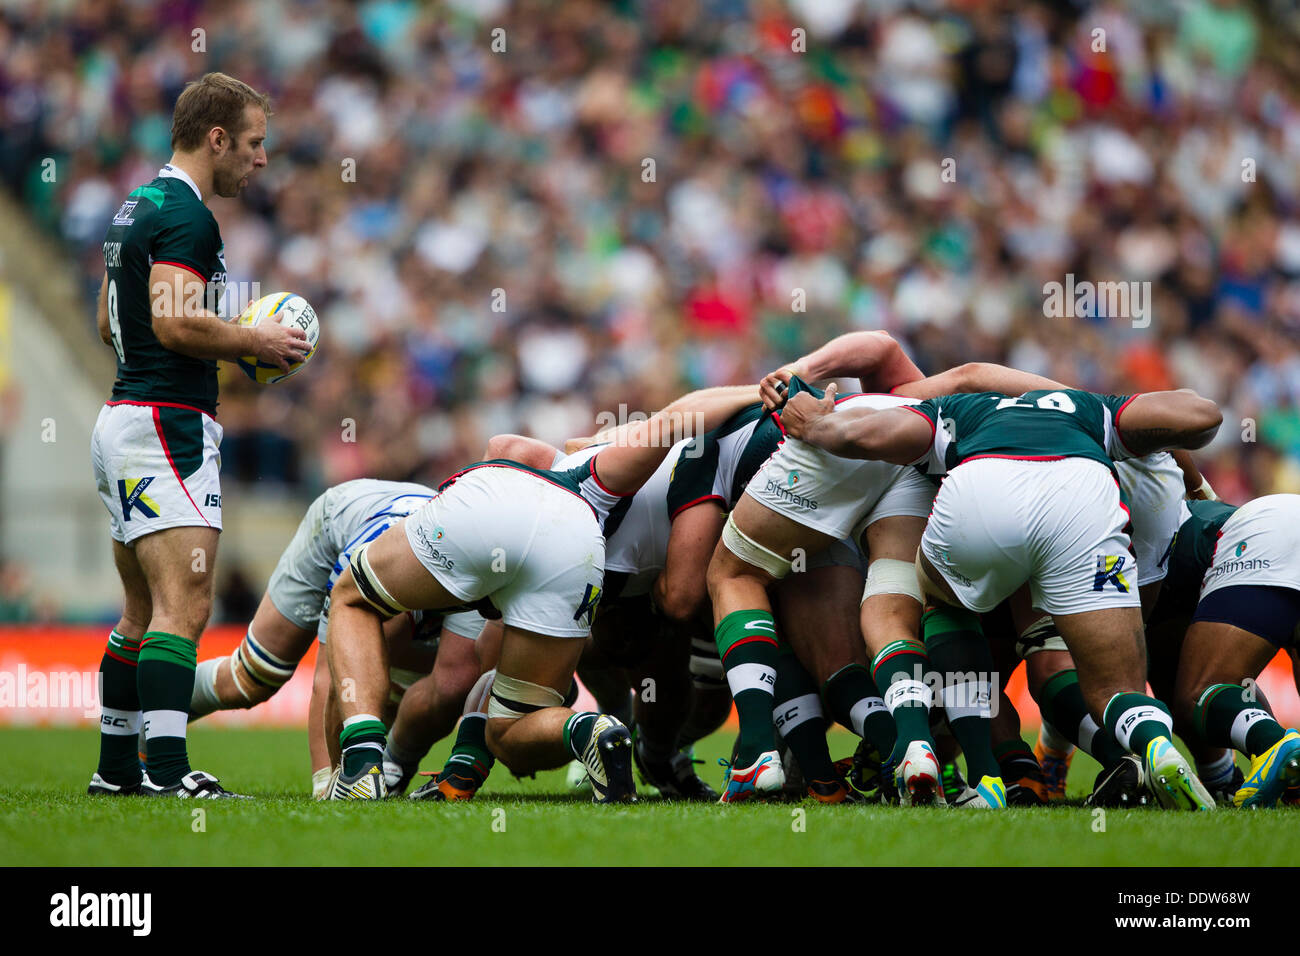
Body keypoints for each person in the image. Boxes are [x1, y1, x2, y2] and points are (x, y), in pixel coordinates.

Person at [87, 73, 307, 799]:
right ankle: (172, 773)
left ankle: (118, 771)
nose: (262, 158)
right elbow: (175, 322)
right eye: (253, 143)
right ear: (217, 139)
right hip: (165, 423)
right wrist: (254, 341)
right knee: (185, 603)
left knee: (141, 612)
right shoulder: (188, 217)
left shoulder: (136, 205)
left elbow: (106, 321)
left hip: (125, 416)